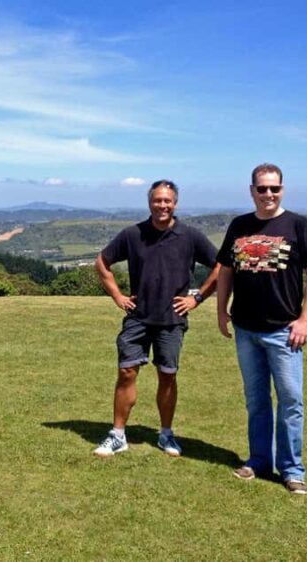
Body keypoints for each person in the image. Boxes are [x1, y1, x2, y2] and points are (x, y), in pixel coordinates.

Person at [216, 163, 307, 495]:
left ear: (282, 189)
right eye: (261, 188)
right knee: (257, 400)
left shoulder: (298, 225)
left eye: (274, 188)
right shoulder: (239, 225)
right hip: (247, 329)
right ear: (251, 190)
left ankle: (292, 469)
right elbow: (225, 271)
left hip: (284, 331)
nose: (268, 194)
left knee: (291, 400)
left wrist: (306, 318)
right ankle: (259, 460)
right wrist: (221, 310)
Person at [93, 179, 220, 457]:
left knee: (167, 376)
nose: (162, 205)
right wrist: (118, 296)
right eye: (157, 200)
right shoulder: (132, 234)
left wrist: (196, 298)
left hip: (172, 320)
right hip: (138, 317)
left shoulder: (191, 236)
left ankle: (166, 434)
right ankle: (117, 435)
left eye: (167, 201)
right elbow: (101, 263)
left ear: (175, 203)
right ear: (149, 202)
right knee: (126, 372)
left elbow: (221, 265)